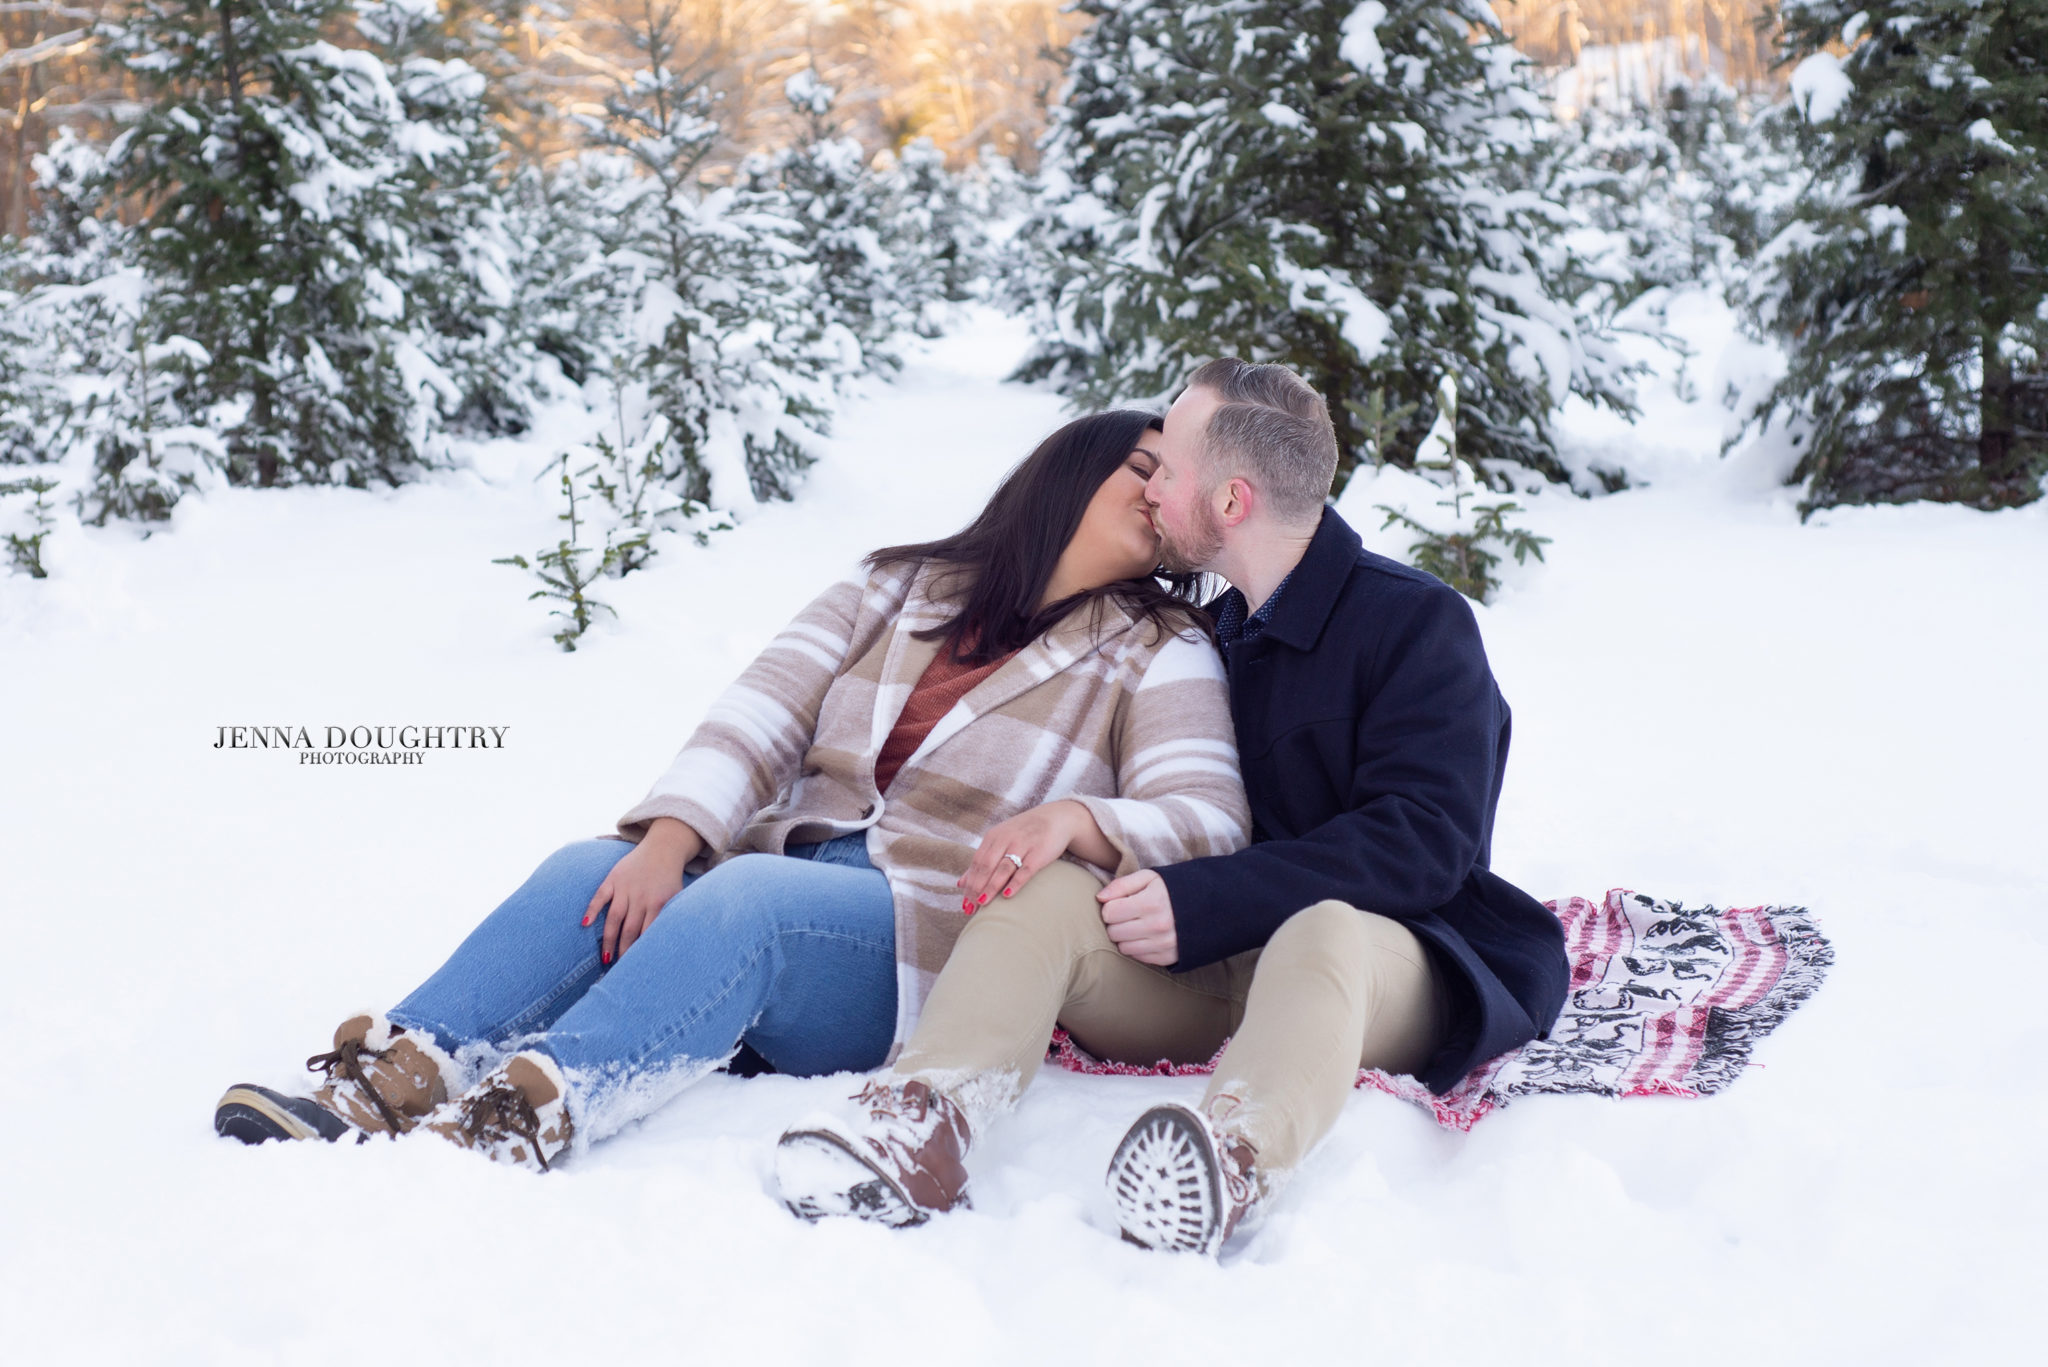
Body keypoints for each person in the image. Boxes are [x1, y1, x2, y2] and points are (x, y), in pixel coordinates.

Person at [212, 410, 1252, 1170]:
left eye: (1175, 488)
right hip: (773, 870)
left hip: (922, 934)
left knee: (749, 900)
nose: (1162, 498)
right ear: (1068, 469)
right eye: (1142, 466)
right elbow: (762, 708)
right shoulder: (897, 585)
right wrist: (669, 837)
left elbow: (1206, 820)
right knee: (597, 868)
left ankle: (536, 1104)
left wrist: (1078, 817)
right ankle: (397, 1067)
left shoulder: (1158, 650)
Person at [773, 359, 1571, 1253]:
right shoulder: (1209, 634)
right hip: (1214, 963)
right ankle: (926, 1118)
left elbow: (1424, 844)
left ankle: (1229, 1159)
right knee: (1041, 893)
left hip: (1390, 954)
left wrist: (1208, 899)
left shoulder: (1417, 623)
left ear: (1231, 503)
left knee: (1324, 929)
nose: (1149, 487)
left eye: (1168, 469)